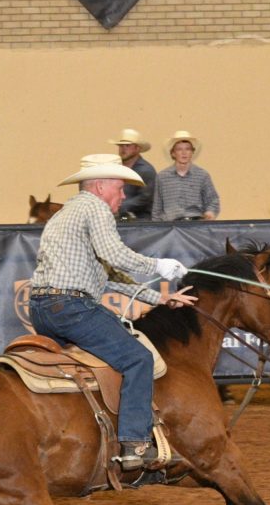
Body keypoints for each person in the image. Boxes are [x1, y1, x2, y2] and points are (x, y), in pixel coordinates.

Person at [28, 154, 195, 470]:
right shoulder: (96, 209)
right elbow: (114, 255)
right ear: (100, 186)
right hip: (72, 308)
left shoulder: (65, 215)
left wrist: (159, 298)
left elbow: (110, 273)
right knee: (137, 358)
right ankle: (134, 444)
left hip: (42, 309)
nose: (122, 197)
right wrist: (157, 265)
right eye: (119, 189)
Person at [151, 131, 219, 221]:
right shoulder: (162, 177)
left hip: (196, 225)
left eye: (188, 149)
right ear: (173, 153)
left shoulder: (202, 175)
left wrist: (210, 212)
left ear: (192, 152)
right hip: (171, 226)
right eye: (179, 149)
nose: (184, 153)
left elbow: (213, 200)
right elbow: (157, 207)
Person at [109, 128, 156, 220]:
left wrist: (120, 206)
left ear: (137, 148)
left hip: (140, 222)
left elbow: (145, 198)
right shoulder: (116, 168)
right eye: (121, 146)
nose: (123, 149)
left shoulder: (146, 171)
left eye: (127, 146)